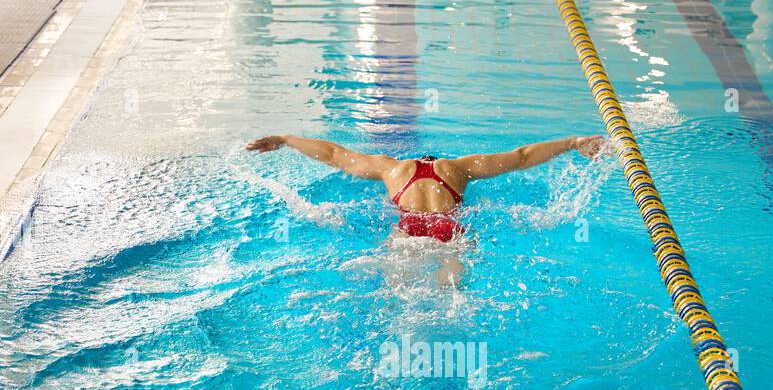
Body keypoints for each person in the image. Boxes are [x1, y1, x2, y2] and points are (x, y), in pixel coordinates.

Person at [246, 134, 607, 245]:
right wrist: (574, 142)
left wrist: (286, 139)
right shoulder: (459, 168)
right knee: (452, 299)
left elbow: (334, 154)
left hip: (406, 229)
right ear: (438, 161)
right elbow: (522, 155)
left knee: (397, 298)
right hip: (449, 230)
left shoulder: (391, 168)